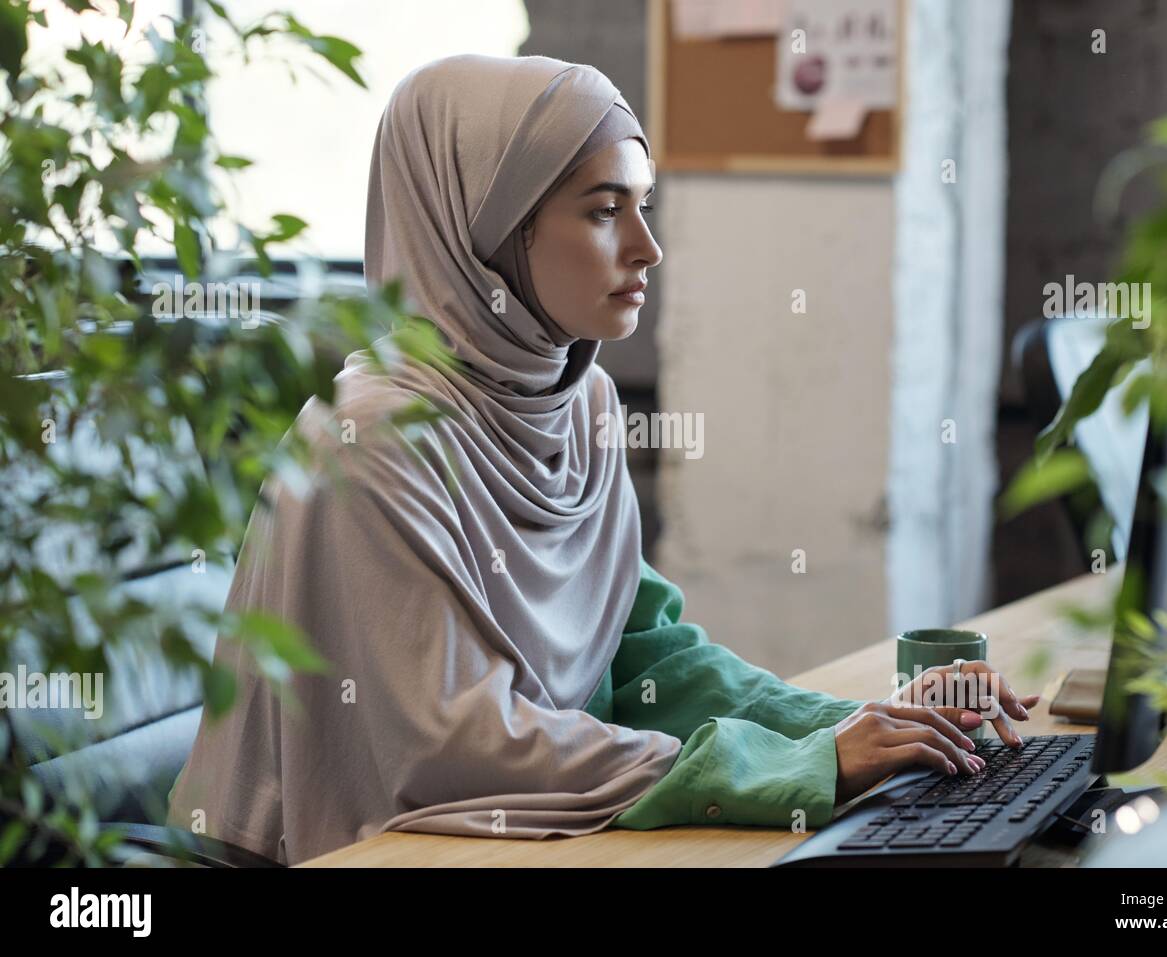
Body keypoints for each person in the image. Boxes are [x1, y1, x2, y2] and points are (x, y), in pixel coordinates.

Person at [166, 54, 1038, 866]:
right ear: (492, 233)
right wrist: (798, 765)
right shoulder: (374, 442)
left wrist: (856, 726)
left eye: (643, 205)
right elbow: (459, 746)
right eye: (602, 209)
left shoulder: (575, 400)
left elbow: (645, 656)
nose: (646, 249)